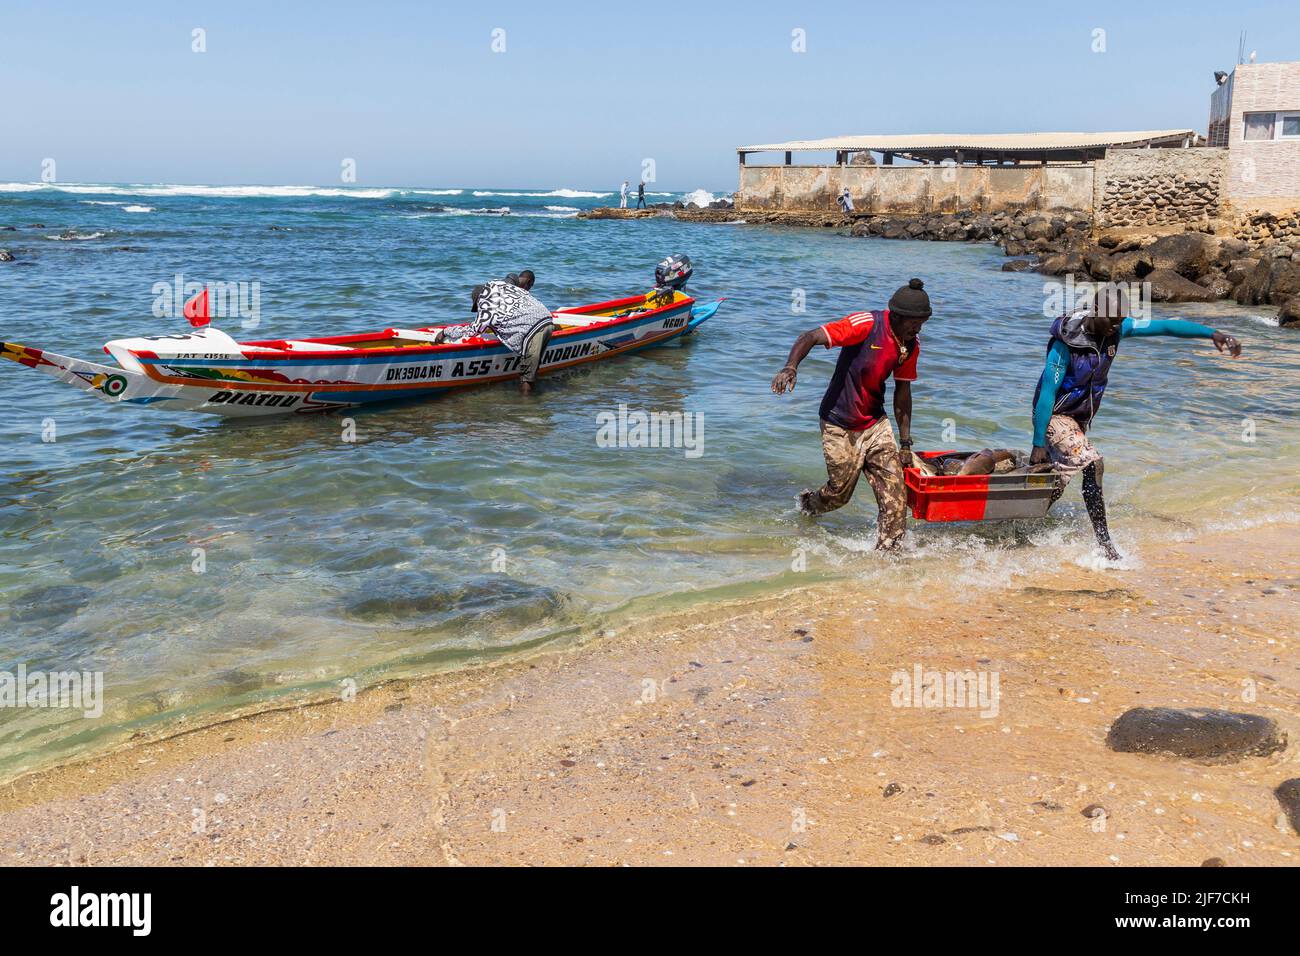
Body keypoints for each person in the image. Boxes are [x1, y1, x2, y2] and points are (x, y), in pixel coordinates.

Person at [1029, 285, 1243, 561]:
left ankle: (1019, 523)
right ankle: (1106, 547)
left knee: (1058, 480)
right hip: (1054, 418)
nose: (1117, 326)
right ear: (1096, 311)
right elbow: (1047, 391)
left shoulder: (1116, 329)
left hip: (1077, 421)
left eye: (1121, 320)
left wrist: (1213, 333)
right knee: (1093, 464)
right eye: (1113, 320)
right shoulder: (1066, 342)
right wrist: (1038, 442)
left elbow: (1166, 327)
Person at [771, 278, 933, 551]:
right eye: (912, 322)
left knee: (895, 495)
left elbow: (903, 393)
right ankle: (807, 505)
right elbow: (810, 336)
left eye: (922, 323)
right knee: (839, 494)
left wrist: (905, 444)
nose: (917, 329)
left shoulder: (910, 346)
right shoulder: (866, 324)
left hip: (875, 424)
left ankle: (888, 556)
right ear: (895, 315)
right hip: (839, 423)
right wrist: (791, 367)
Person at [438, 279, 555, 395]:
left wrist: (446, 332)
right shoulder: (499, 286)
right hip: (546, 318)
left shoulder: (485, 302)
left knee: (526, 376)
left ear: (478, 300)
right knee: (532, 368)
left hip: (534, 329)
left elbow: (474, 330)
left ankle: (525, 408)